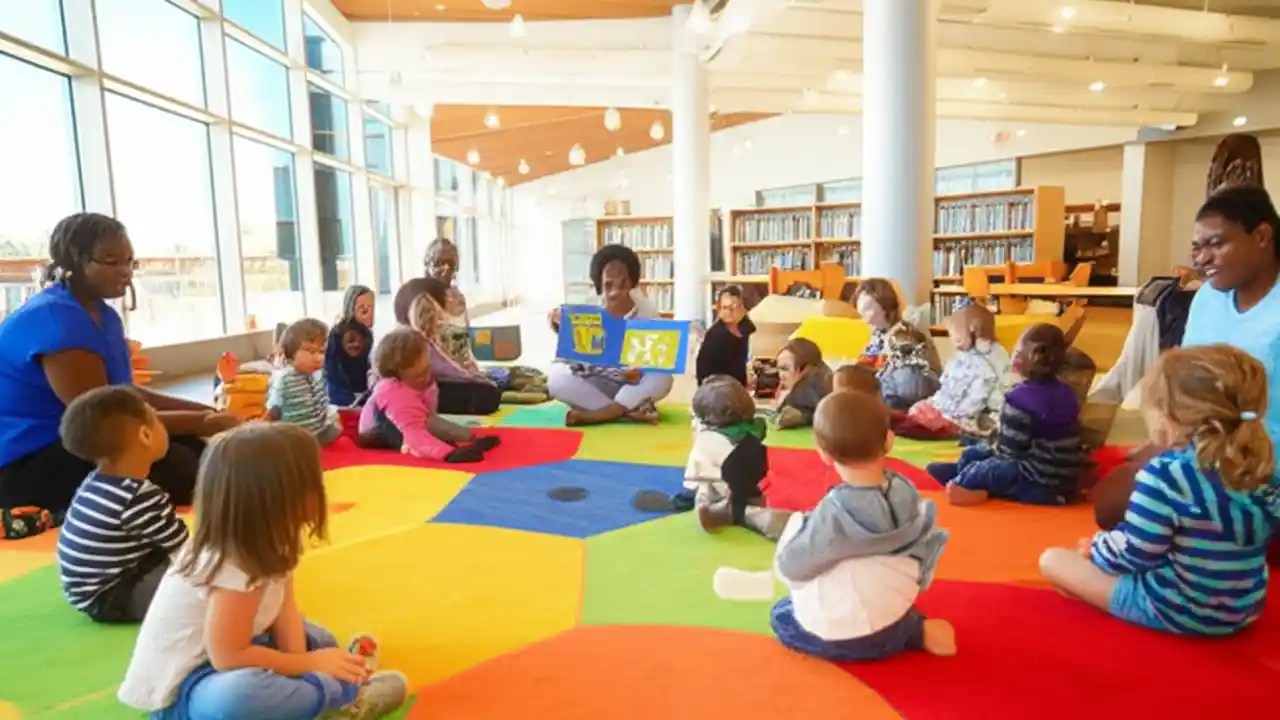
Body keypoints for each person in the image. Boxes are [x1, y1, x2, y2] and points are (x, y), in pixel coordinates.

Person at [117, 423, 408, 719]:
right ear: (281, 498)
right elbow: (228, 656)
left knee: (319, 639)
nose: (322, 486)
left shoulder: (274, 537)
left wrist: (305, 659)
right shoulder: (231, 561)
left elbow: (285, 608)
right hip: (192, 691)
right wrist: (309, 665)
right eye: (314, 480)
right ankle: (346, 695)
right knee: (240, 697)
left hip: (245, 649)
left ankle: (329, 679)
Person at [0, 213, 238, 512]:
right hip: (30, 463)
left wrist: (208, 413)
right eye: (112, 262)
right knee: (180, 465)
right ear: (77, 259)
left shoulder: (103, 316)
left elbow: (126, 396)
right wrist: (204, 422)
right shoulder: (57, 320)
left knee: (195, 449)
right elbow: (102, 420)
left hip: (77, 438)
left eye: (130, 261)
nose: (126, 272)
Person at [1040, 345, 1280, 636]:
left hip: (1179, 610)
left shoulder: (1165, 475)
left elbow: (1136, 555)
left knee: (1053, 559)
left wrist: (1096, 548)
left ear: (1169, 417)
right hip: (1244, 608)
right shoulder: (1260, 465)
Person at [1093, 186, 1280, 528]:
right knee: (1113, 496)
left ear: (1262, 236)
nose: (1201, 259)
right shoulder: (1209, 297)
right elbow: (1189, 386)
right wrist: (1162, 442)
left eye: (1216, 244)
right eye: (1197, 247)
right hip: (1205, 457)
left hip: (1266, 472)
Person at [770, 391, 955, 661]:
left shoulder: (835, 512)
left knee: (781, 615)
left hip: (848, 639)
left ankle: (889, 633)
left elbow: (791, 567)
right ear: (889, 440)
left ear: (824, 454)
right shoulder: (905, 491)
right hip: (895, 615)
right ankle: (914, 630)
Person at [57, 386, 187, 623]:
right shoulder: (139, 496)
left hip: (88, 593)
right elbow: (187, 552)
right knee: (206, 579)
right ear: (145, 435)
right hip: (118, 596)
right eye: (156, 418)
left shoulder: (96, 482)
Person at [927, 323, 1085, 507]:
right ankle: (964, 470)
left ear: (1021, 359)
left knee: (986, 467)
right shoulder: (1067, 394)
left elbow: (1008, 454)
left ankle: (965, 483)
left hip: (1038, 481)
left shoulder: (1020, 399)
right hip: (1066, 479)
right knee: (975, 454)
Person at [546, 244, 674, 426]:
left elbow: (659, 363)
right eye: (608, 285)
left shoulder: (648, 315)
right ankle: (625, 413)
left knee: (663, 378)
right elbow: (567, 361)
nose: (615, 292)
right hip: (595, 384)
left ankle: (598, 415)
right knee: (556, 378)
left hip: (630, 387)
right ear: (599, 285)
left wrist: (637, 369)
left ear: (632, 284)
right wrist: (558, 326)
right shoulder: (587, 310)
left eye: (622, 284)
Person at [357, 328, 498, 463]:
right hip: (382, 432)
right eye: (418, 375)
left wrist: (471, 437)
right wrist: (447, 454)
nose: (426, 377)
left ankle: (466, 439)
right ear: (397, 376)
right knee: (422, 435)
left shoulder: (420, 383)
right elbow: (414, 432)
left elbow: (429, 417)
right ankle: (433, 447)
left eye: (427, 370)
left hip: (412, 421)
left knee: (434, 424)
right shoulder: (393, 391)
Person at [682, 376, 786, 538]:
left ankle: (727, 511)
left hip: (725, 489)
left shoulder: (709, 439)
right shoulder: (754, 427)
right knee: (753, 510)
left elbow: (696, 473)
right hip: (754, 491)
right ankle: (752, 514)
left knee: (703, 493)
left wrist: (690, 489)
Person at [900, 303, 1011, 438]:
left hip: (976, 416)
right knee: (917, 410)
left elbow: (975, 400)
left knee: (923, 419)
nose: (952, 338)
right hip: (954, 407)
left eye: (954, 333)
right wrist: (934, 403)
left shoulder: (984, 361)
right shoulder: (965, 356)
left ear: (971, 329)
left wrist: (947, 415)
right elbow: (949, 388)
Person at [407, 291, 502, 415]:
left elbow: (451, 368)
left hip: (433, 388)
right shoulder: (424, 346)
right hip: (432, 392)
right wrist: (476, 377)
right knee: (491, 392)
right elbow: (451, 372)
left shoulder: (423, 341)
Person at [267, 319, 341, 447]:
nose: (319, 358)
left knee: (337, 425)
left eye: (322, 352)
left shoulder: (318, 374)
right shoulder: (284, 378)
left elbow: (323, 402)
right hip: (294, 435)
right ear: (291, 353)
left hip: (316, 429)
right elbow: (273, 410)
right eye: (311, 352)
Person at [424, 238, 475, 367]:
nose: (446, 269)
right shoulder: (418, 297)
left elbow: (467, 340)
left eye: (451, 263)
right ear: (427, 264)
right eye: (439, 262)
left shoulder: (458, 298)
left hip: (461, 369)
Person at [696, 286, 756, 387]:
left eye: (733, 308)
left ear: (743, 309)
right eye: (724, 308)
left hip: (741, 387)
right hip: (718, 388)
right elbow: (704, 371)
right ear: (719, 309)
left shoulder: (748, 329)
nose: (729, 312)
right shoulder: (715, 335)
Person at [324, 285, 374, 407]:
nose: (369, 313)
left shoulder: (363, 332)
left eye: (371, 308)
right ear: (351, 308)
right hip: (346, 394)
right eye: (362, 308)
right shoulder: (349, 333)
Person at [774, 338, 832, 429]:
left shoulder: (819, 386)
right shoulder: (810, 382)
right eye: (779, 369)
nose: (781, 375)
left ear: (805, 368)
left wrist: (802, 417)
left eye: (785, 369)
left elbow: (828, 416)